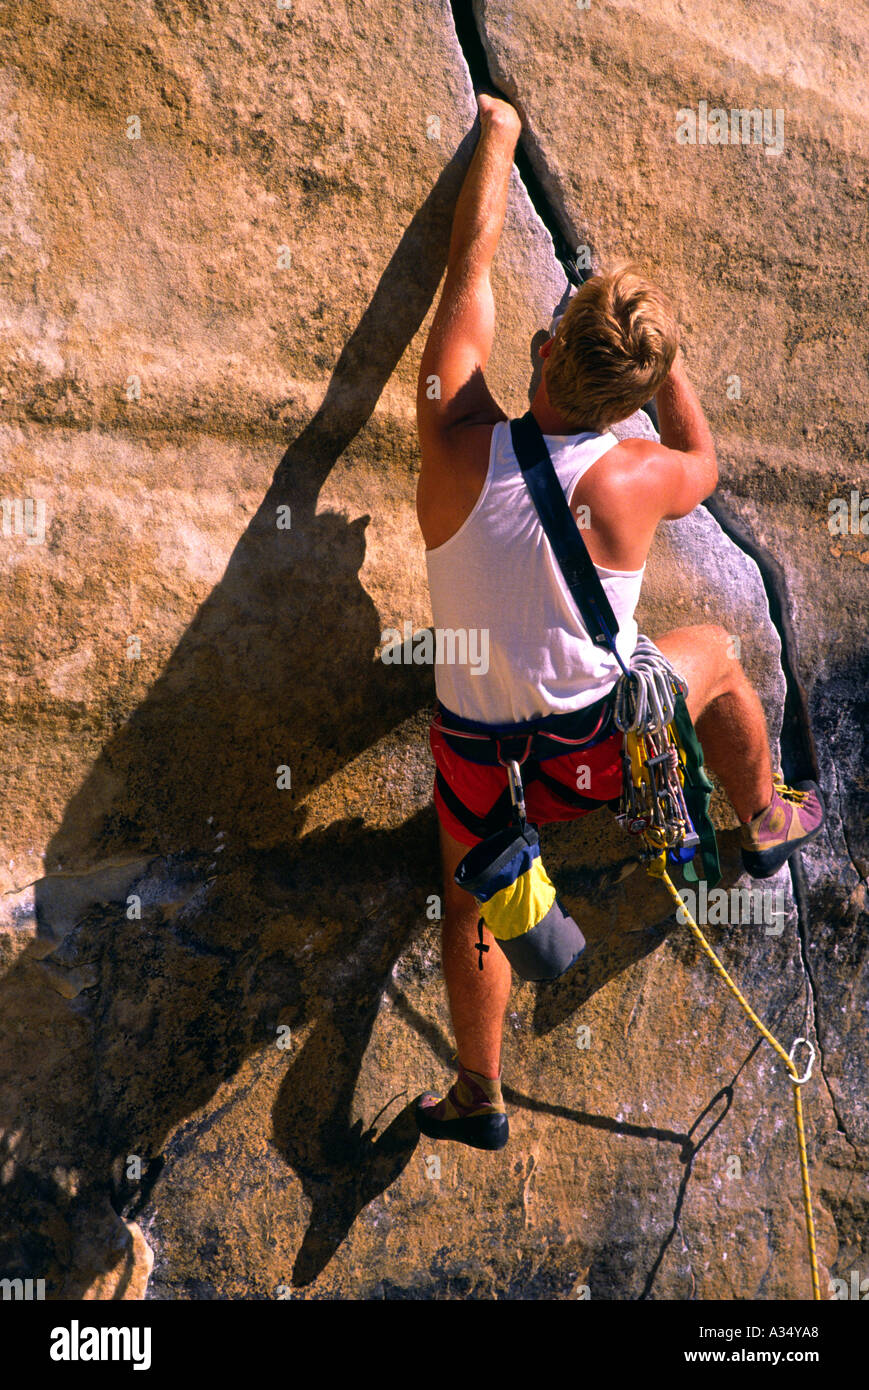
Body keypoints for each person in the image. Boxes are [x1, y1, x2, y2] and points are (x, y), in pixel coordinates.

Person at [413, 91, 824, 1150]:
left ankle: (478, 1089)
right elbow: (706, 462)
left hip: (479, 767)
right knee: (721, 657)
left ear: (545, 348)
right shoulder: (638, 474)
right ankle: (762, 819)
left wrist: (497, 136)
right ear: (628, 398)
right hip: (597, 755)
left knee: (469, 900)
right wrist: (665, 365)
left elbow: (467, 278)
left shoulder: (452, 440)